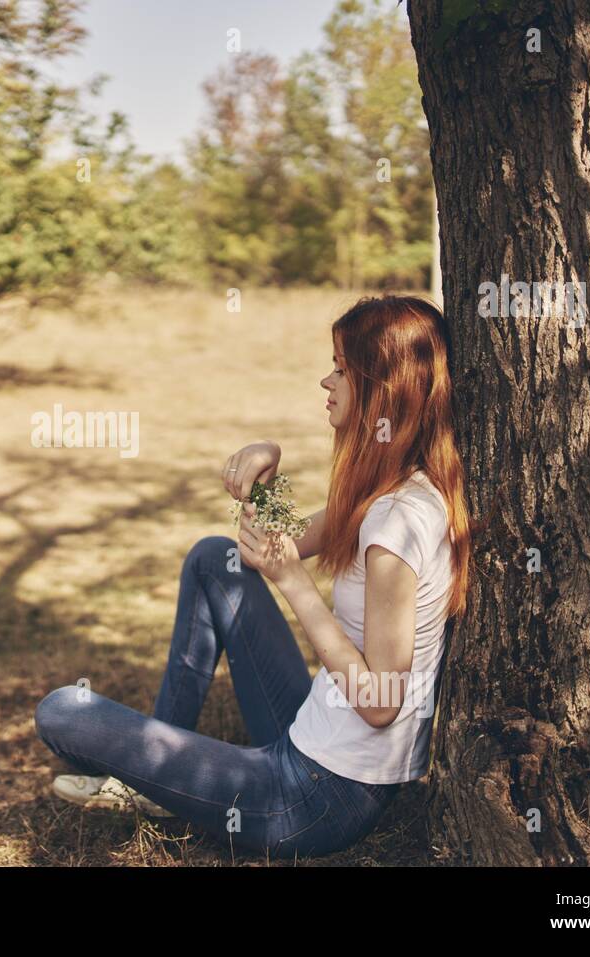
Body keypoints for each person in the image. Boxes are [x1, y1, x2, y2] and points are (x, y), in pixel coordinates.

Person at [34, 295, 473, 859]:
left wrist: (294, 584)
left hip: (318, 798)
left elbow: (382, 702)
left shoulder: (396, 525)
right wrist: (267, 461)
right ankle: (152, 788)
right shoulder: (393, 491)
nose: (326, 380)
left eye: (341, 368)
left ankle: (153, 781)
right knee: (214, 558)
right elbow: (269, 546)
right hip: (314, 742)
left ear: (381, 388)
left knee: (63, 710)